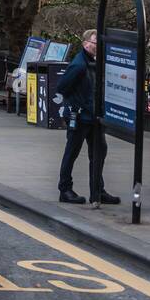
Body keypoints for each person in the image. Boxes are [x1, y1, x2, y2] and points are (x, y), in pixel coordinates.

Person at [54, 29, 119, 206]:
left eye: (100, 44)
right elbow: (62, 87)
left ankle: (97, 190)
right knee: (72, 152)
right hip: (80, 116)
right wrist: (78, 103)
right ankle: (65, 189)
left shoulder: (95, 63)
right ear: (85, 44)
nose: (98, 47)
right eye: (95, 43)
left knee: (99, 152)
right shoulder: (79, 65)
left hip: (94, 117)